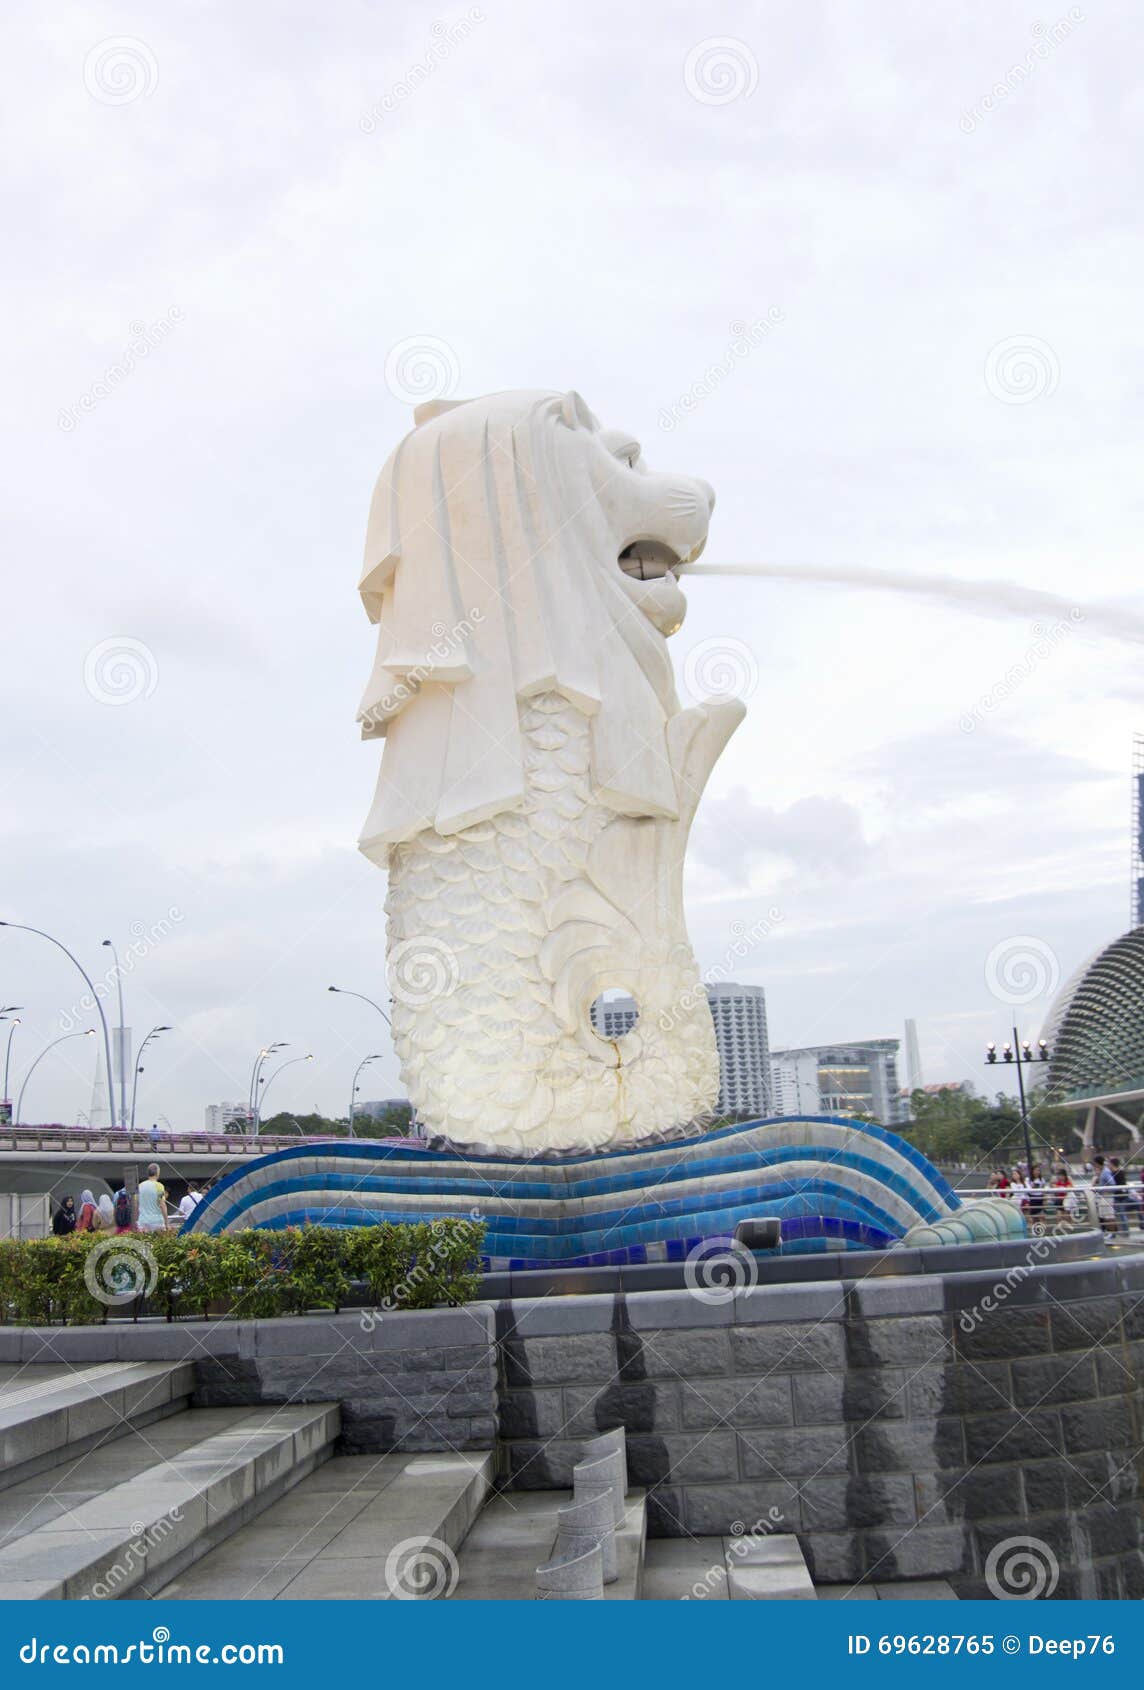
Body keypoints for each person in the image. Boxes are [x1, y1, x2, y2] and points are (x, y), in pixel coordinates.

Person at [136, 1163, 168, 1232]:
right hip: (157, 1221)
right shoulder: (159, 1186)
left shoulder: (139, 1186)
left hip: (142, 1221)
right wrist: (166, 1222)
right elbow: (162, 1205)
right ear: (157, 1173)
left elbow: (136, 1205)